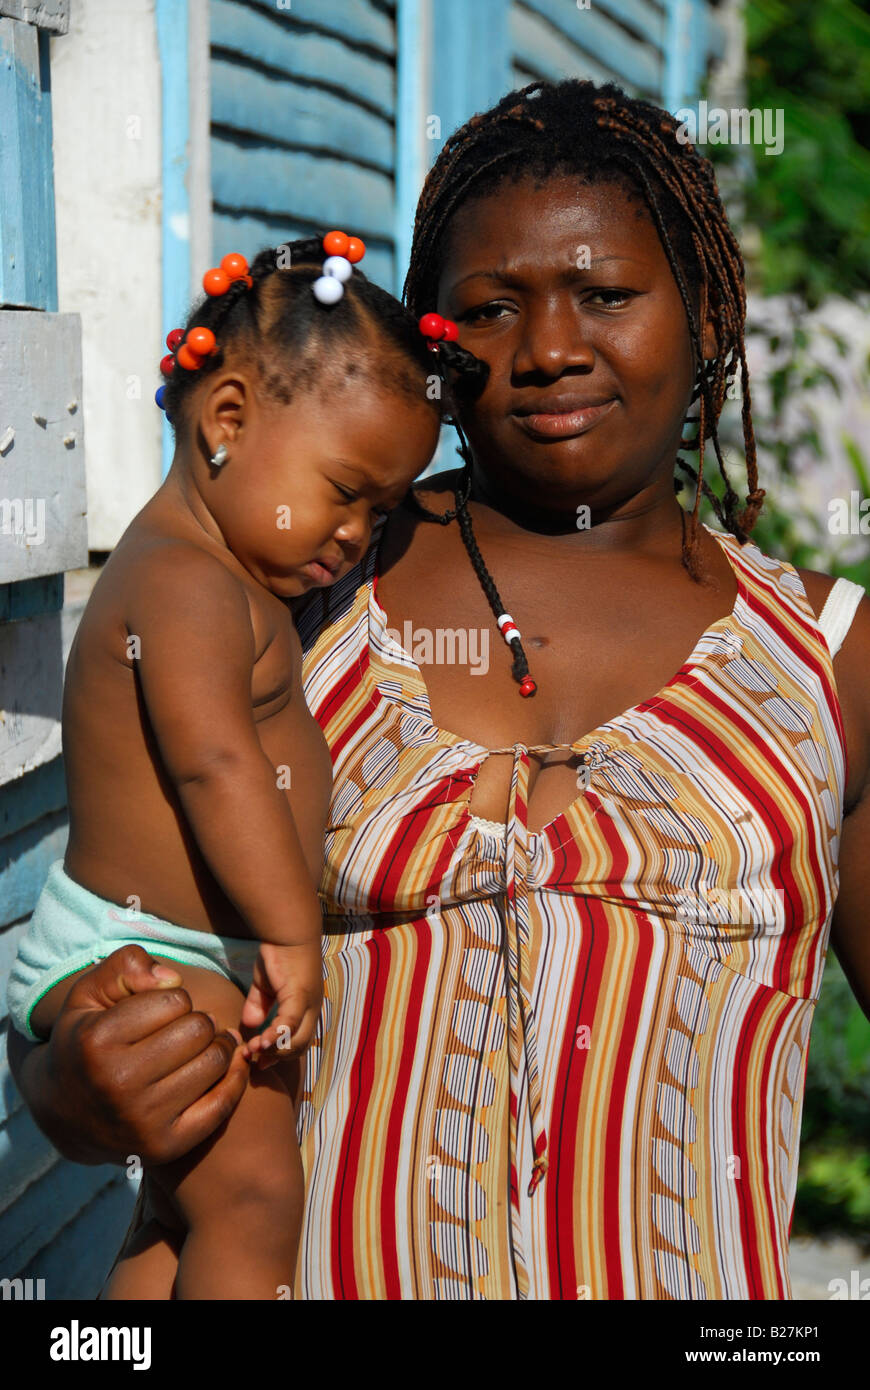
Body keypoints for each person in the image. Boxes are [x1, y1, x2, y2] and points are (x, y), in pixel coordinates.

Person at [9, 79, 870, 1300]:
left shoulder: (831, 657)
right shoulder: (293, 589)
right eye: (490, 308)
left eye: (608, 294)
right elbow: (108, 929)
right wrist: (72, 1087)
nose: (552, 347)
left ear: (710, 314)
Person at [4, 234, 441, 1299]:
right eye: (344, 490)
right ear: (229, 421)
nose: (356, 531)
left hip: (166, 938)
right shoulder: (188, 585)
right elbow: (213, 766)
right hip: (159, 940)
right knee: (254, 1200)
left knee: (182, 1210)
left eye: (383, 510)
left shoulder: (209, 574)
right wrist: (292, 932)